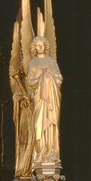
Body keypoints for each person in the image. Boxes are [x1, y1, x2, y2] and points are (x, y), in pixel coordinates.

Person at [26, 35, 62, 165]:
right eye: (37, 45)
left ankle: (52, 152)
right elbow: (29, 82)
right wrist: (41, 77)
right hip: (39, 100)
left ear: (45, 46)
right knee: (39, 126)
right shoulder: (32, 63)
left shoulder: (51, 62)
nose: (39, 47)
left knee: (51, 124)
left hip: (52, 99)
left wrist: (49, 77)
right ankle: (40, 153)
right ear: (33, 48)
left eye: (41, 44)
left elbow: (59, 78)